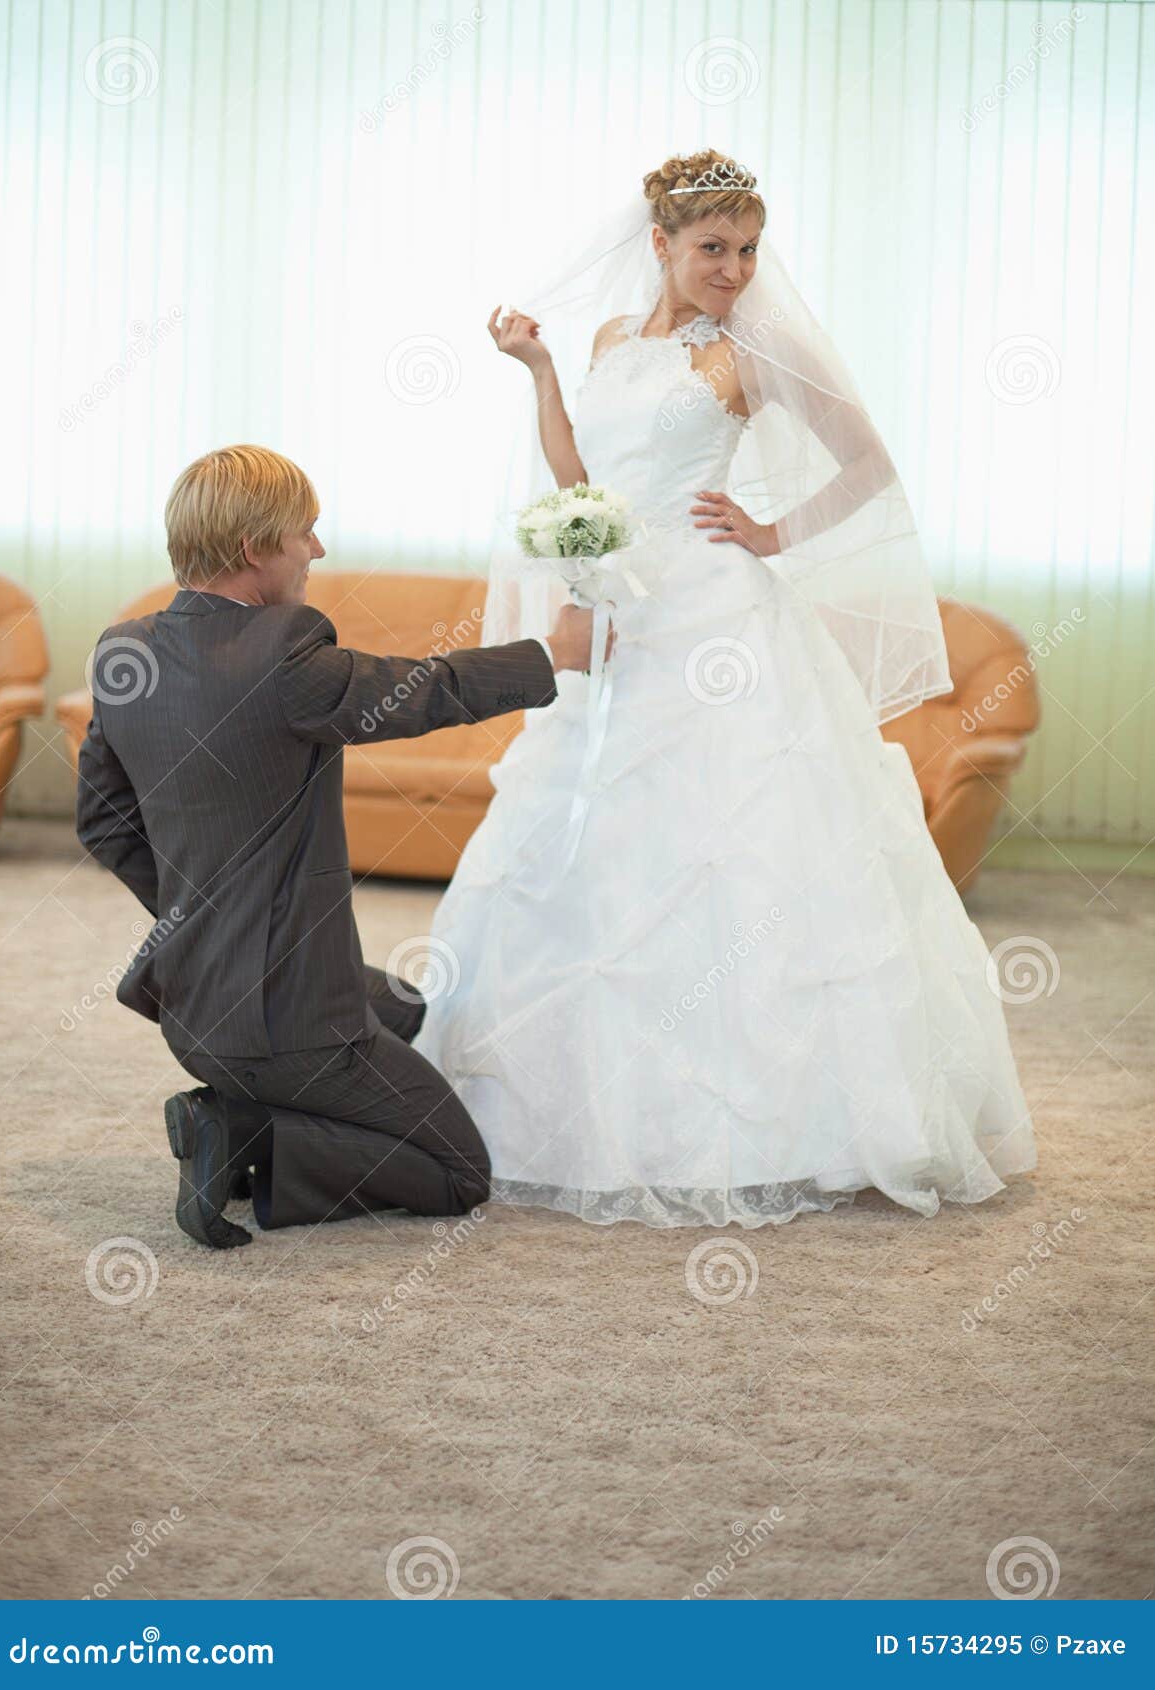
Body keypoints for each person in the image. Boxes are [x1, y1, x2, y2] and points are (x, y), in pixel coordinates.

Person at [411, 149, 1038, 1228]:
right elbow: (581, 484)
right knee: (588, 850)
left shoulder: (758, 345)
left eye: (747, 250)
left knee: (738, 848)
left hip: (718, 623)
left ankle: (778, 1119)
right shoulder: (610, 344)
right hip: (623, 619)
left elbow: (867, 464)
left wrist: (768, 532)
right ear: (659, 245)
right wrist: (542, 375)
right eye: (712, 249)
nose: (734, 269)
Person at [76, 444, 595, 1248]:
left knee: (408, 1010)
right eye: (305, 534)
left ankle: (250, 1103)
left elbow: (104, 825)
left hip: (192, 1002)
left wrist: (203, 909)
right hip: (284, 1030)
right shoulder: (283, 651)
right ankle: (249, 1133)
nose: (317, 551)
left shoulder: (122, 653)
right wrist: (553, 653)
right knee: (459, 1171)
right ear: (256, 549)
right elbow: (427, 690)